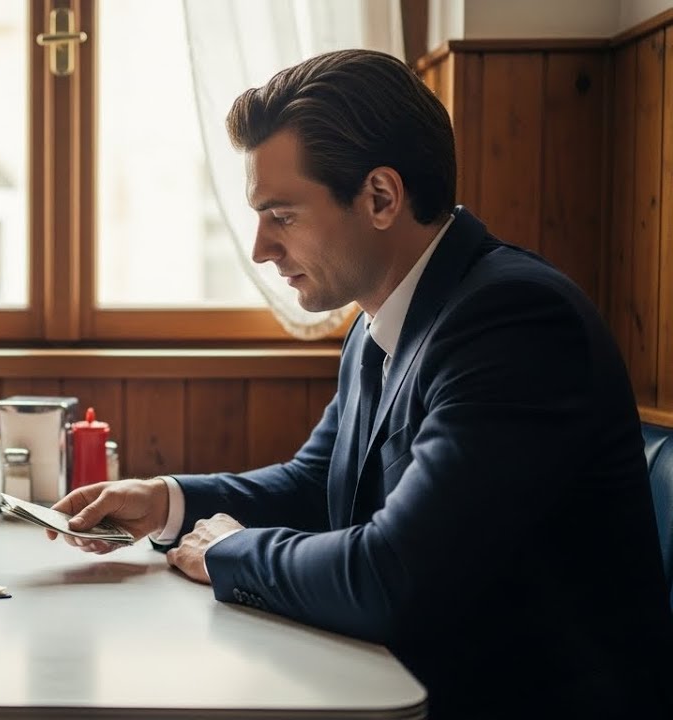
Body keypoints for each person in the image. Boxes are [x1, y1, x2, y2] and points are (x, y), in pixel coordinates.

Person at [48, 49, 673, 719]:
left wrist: (229, 552)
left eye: (282, 215)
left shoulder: (515, 320)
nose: (260, 248)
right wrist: (167, 502)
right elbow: (318, 485)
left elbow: (395, 576)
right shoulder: (381, 318)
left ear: (380, 197)